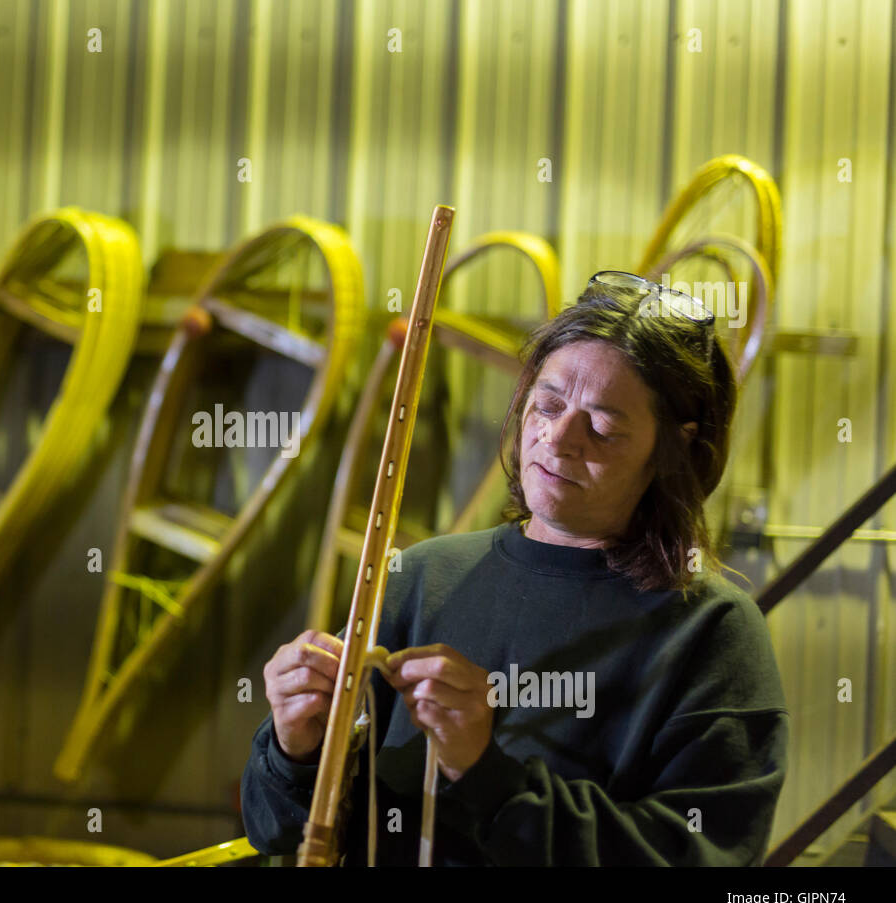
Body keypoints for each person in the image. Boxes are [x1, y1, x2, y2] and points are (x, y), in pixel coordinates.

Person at [240, 271, 790, 866]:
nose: (559, 438)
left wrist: (491, 782)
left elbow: (703, 857)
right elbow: (277, 831)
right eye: (547, 405)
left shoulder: (711, 630)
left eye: (603, 427)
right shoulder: (421, 577)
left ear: (673, 449)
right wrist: (295, 748)